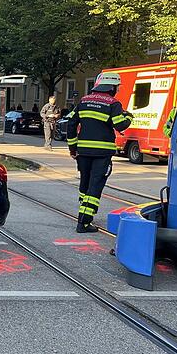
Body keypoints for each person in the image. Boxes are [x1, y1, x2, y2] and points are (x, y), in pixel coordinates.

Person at [66, 72, 133, 233]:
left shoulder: (84, 100)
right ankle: (84, 222)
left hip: (83, 152)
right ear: (112, 87)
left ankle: (83, 212)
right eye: (117, 87)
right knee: (94, 187)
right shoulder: (113, 103)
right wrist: (129, 117)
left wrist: (73, 148)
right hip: (102, 154)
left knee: (85, 184)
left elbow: (70, 124)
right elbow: (120, 125)